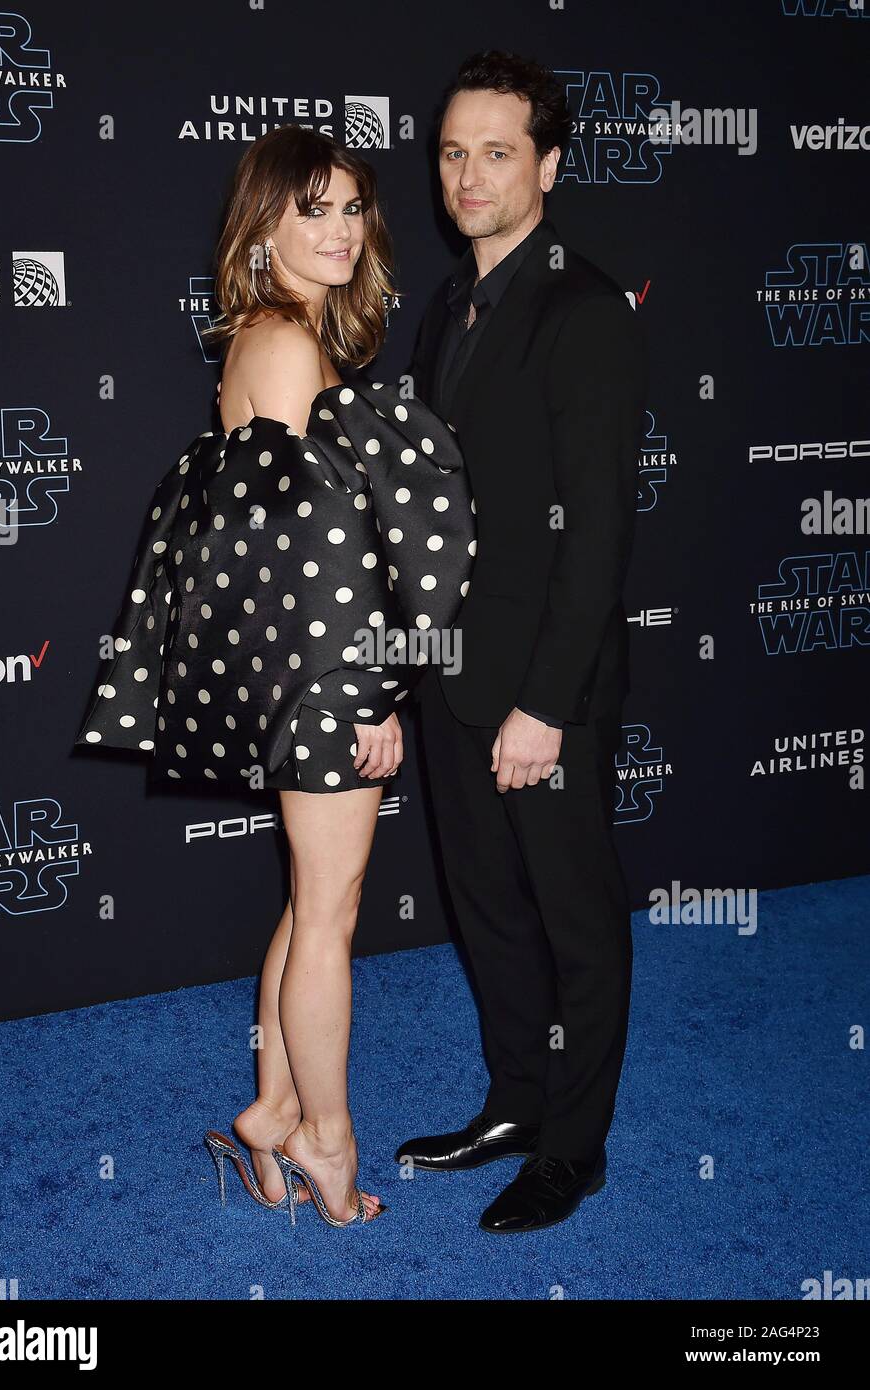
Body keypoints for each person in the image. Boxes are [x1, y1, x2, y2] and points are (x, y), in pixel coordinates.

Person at [73, 125, 475, 1228]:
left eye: (353, 210)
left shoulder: (257, 340)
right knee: (332, 914)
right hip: (326, 676)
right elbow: (319, 555)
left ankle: (270, 1111)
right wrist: (377, 694)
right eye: (315, 210)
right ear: (265, 224)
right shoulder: (293, 351)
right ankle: (326, 1146)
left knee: (311, 905)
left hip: (294, 673)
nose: (342, 231)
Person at [396, 51, 649, 1233]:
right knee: (486, 906)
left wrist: (544, 705)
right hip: (453, 673)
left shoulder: (583, 307)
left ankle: (575, 1147)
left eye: (497, 151)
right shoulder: (452, 304)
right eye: (453, 151)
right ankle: (516, 1098)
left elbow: (595, 532)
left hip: (542, 688)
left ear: (547, 164)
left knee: (576, 921)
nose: (469, 174)